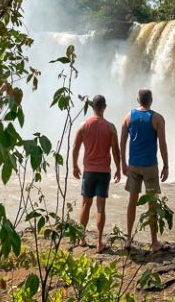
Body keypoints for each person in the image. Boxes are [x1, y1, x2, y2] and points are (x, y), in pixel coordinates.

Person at [120, 88, 174, 253]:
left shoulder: (128, 117)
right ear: (151, 100)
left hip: (133, 165)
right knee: (152, 204)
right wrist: (166, 165)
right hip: (150, 166)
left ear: (138, 99)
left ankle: (128, 238)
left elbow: (122, 143)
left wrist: (123, 163)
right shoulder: (157, 118)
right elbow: (162, 144)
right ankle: (154, 242)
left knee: (132, 201)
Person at [72, 94, 121, 253]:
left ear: (92, 107)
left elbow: (75, 148)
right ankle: (100, 243)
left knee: (85, 204)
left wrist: (74, 166)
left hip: (89, 171)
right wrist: (119, 169)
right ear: (104, 107)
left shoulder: (83, 126)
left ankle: (82, 239)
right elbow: (116, 151)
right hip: (104, 172)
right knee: (100, 207)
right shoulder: (110, 127)